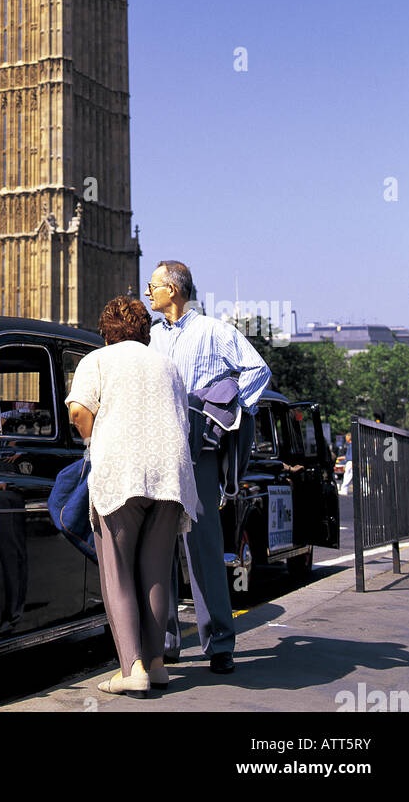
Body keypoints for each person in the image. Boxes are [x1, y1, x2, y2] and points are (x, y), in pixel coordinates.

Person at [66, 295, 197, 696]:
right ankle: (157, 665)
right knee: (156, 572)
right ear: (144, 330)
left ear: (106, 332)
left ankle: (131, 668)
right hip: (170, 474)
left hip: (122, 471)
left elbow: (77, 412)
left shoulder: (98, 360)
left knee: (117, 572)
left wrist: (91, 438)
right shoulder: (168, 365)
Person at [146, 260, 271, 675]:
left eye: (154, 286)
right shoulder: (151, 338)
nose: (149, 293)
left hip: (199, 453)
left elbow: (257, 370)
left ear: (174, 291)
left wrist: (229, 413)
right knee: (158, 549)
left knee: (203, 550)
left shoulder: (214, 331)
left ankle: (219, 643)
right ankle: (167, 643)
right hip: (160, 451)